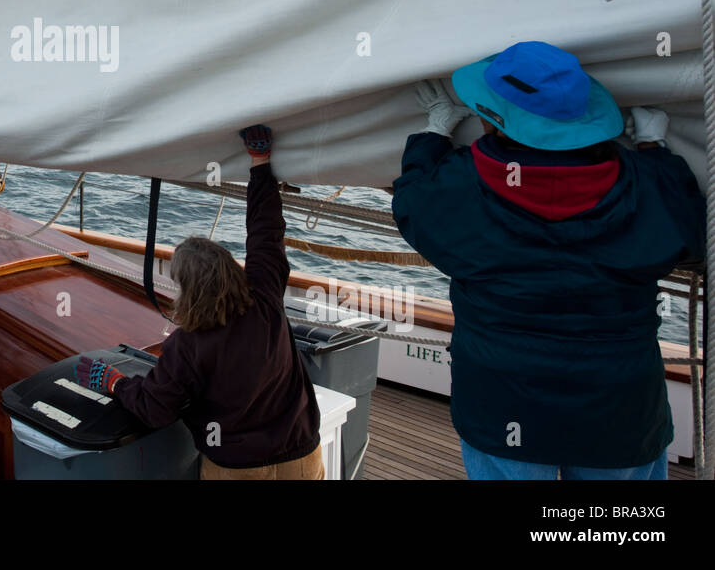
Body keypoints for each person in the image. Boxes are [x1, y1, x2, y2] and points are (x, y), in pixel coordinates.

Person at [391, 41, 705, 479]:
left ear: (494, 119)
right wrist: (653, 146)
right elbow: (691, 235)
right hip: (618, 408)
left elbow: (412, 204)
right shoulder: (645, 184)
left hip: (502, 403)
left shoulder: (459, 187)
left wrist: (433, 134)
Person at [72, 125, 323, 480]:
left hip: (237, 469)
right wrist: (260, 162)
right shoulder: (265, 294)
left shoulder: (187, 346)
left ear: (186, 291)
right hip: (302, 456)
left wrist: (113, 381)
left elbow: (156, 408)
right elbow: (266, 230)